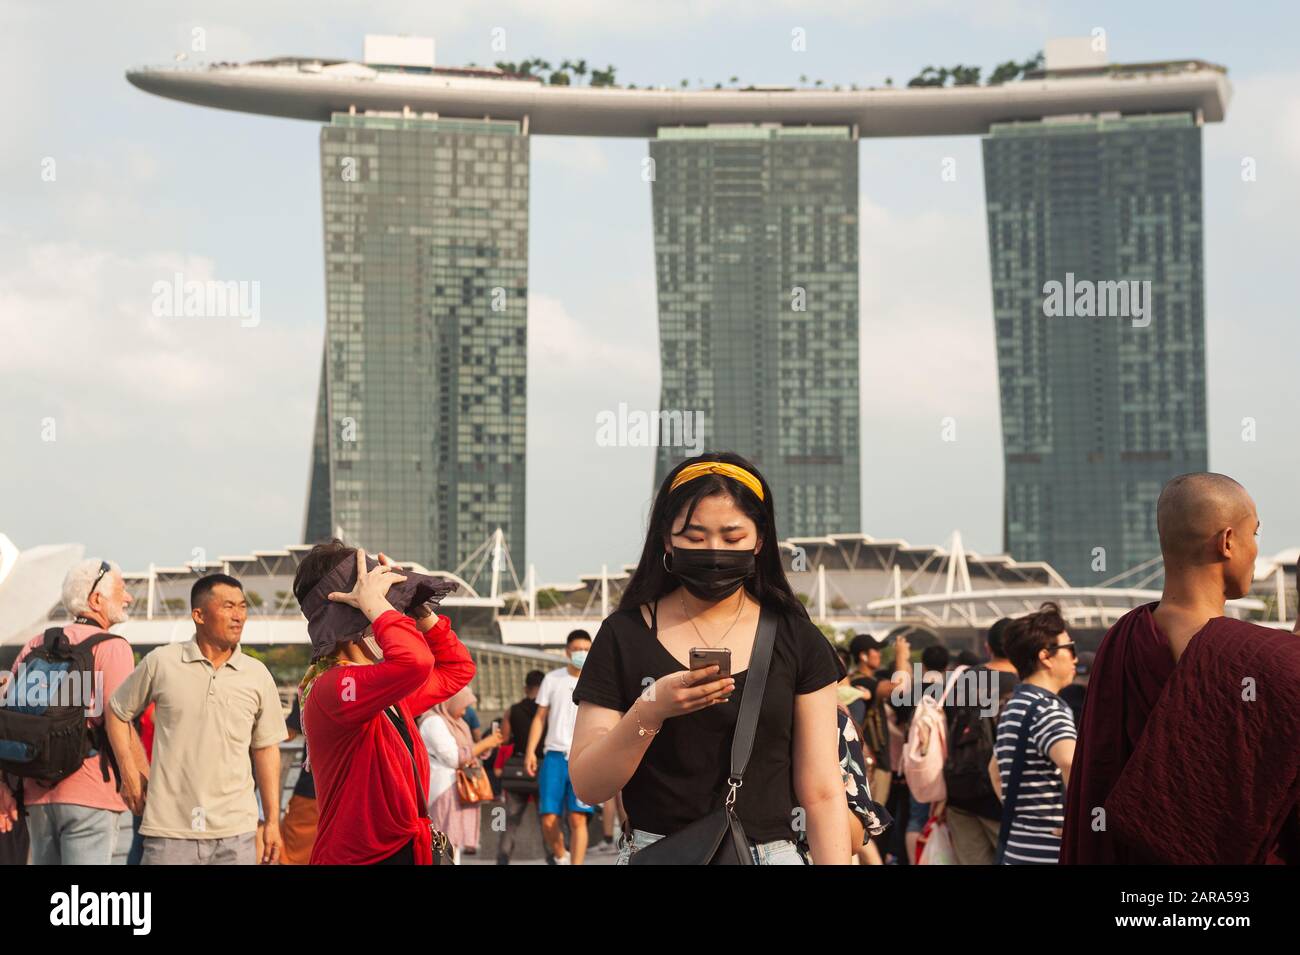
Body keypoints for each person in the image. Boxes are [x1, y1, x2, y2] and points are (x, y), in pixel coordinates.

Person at [569, 451, 851, 865]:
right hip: (658, 852)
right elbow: (589, 785)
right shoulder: (623, 634)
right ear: (667, 539)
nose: (714, 551)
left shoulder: (797, 637)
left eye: (732, 538)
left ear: (759, 540)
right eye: (696, 538)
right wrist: (650, 711)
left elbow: (824, 791)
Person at [1062, 473, 1300, 864]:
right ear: (1227, 542)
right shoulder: (1265, 660)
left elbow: (1099, 776)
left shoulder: (1121, 639)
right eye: (1254, 534)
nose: (1257, 548)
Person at [292, 543, 476, 865]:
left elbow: (456, 669)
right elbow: (415, 662)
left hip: (400, 852)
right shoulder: (331, 690)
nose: (391, 610)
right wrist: (377, 604)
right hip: (361, 859)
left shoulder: (379, 692)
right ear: (358, 612)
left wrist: (419, 608)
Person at [107, 573, 287, 865]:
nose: (239, 616)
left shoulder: (258, 675)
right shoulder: (161, 662)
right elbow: (116, 711)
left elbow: (266, 749)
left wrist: (272, 823)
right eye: (228, 606)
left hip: (236, 832)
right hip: (169, 832)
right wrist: (129, 773)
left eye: (243, 607)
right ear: (199, 615)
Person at [0, 559, 142, 864]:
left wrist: (5, 785)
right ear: (96, 600)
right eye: (122, 589)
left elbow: (9, 718)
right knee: (84, 904)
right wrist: (135, 782)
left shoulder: (37, 644)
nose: (128, 597)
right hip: (91, 793)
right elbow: (119, 720)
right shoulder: (113, 647)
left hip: (36, 792)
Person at [991, 603, 1077, 865]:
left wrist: (1022, 815)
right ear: (1046, 656)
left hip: (1018, 848)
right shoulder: (1048, 708)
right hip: (1050, 850)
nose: (1074, 658)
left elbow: (994, 771)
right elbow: (1070, 761)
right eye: (1069, 649)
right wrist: (1081, 824)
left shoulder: (1014, 705)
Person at [942, 621, 1013, 865]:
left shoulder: (962, 680)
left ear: (987, 646)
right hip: (998, 796)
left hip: (958, 789)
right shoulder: (1020, 685)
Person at [525, 630, 594, 865]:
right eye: (577, 649)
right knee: (548, 819)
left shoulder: (598, 680)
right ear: (567, 651)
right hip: (554, 756)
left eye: (586, 649)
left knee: (578, 819)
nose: (581, 653)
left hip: (583, 758)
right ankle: (560, 855)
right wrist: (530, 752)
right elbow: (539, 718)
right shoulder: (552, 679)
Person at [421, 687, 501, 864]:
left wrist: (486, 747)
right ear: (452, 701)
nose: (465, 711)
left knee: (454, 842)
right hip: (444, 789)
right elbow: (454, 758)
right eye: (463, 706)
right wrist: (486, 742)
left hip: (461, 788)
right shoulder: (433, 721)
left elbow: (469, 751)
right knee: (445, 840)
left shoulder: (457, 722)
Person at [847, 632, 910, 808]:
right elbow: (899, 690)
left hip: (876, 762)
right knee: (870, 822)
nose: (880, 654)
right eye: (876, 650)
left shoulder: (869, 680)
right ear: (863, 655)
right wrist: (901, 656)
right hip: (872, 764)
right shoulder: (861, 681)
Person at [495, 669, 544, 864]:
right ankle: (555, 856)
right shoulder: (547, 710)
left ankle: (503, 857)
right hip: (543, 767)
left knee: (511, 820)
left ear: (526, 688)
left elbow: (504, 740)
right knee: (548, 816)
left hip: (519, 768)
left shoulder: (512, 710)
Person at [278, 696, 318, 865]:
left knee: (293, 855)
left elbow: (287, 734)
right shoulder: (362, 685)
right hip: (350, 792)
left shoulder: (312, 686)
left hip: (312, 791)